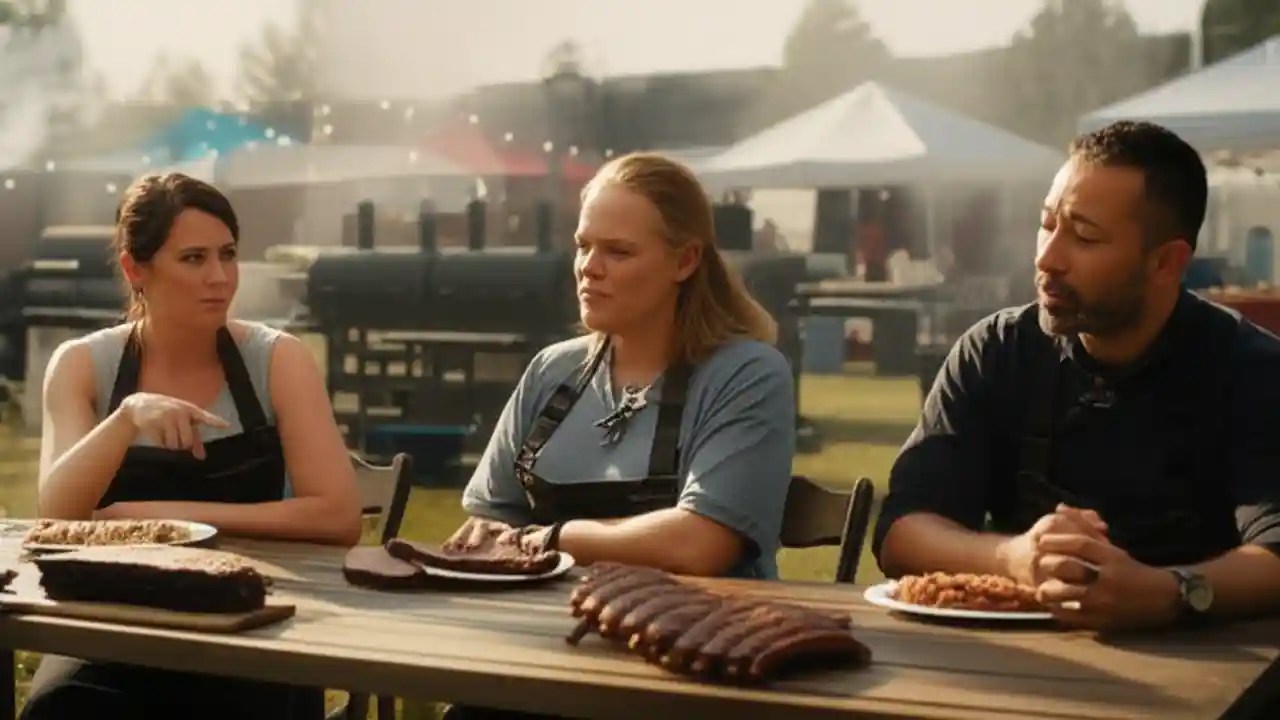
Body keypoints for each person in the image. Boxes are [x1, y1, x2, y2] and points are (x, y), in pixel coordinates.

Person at [874, 121, 1280, 632]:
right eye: (1047, 224)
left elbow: (1275, 552)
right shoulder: (996, 353)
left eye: (1084, 236)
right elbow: (902, 533)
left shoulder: (1251, 372)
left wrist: (1171, 591)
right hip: (1019, 677)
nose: (1048, 258)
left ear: (1166, 263)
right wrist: (1015, 557)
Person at [21, 172, 361, 720]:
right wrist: (126, 419)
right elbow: (59, 512)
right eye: (194, 259)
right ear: (136, 269)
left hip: (253, 621)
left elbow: (339, 516)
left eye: (227, 255)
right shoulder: (83, 366)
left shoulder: (277, 361)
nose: (220, 278)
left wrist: (161, 516)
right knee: (60, 706)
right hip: (115, 622)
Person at [447, 152, 796, 582]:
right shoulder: (552, 372)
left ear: (685, 261)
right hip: (543, 633)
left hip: (697, 634)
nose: (589, 268)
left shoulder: (745, 376)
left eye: (618, 251)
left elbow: (701, 544)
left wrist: (554, 539)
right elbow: (490, 521)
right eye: (583, 246)